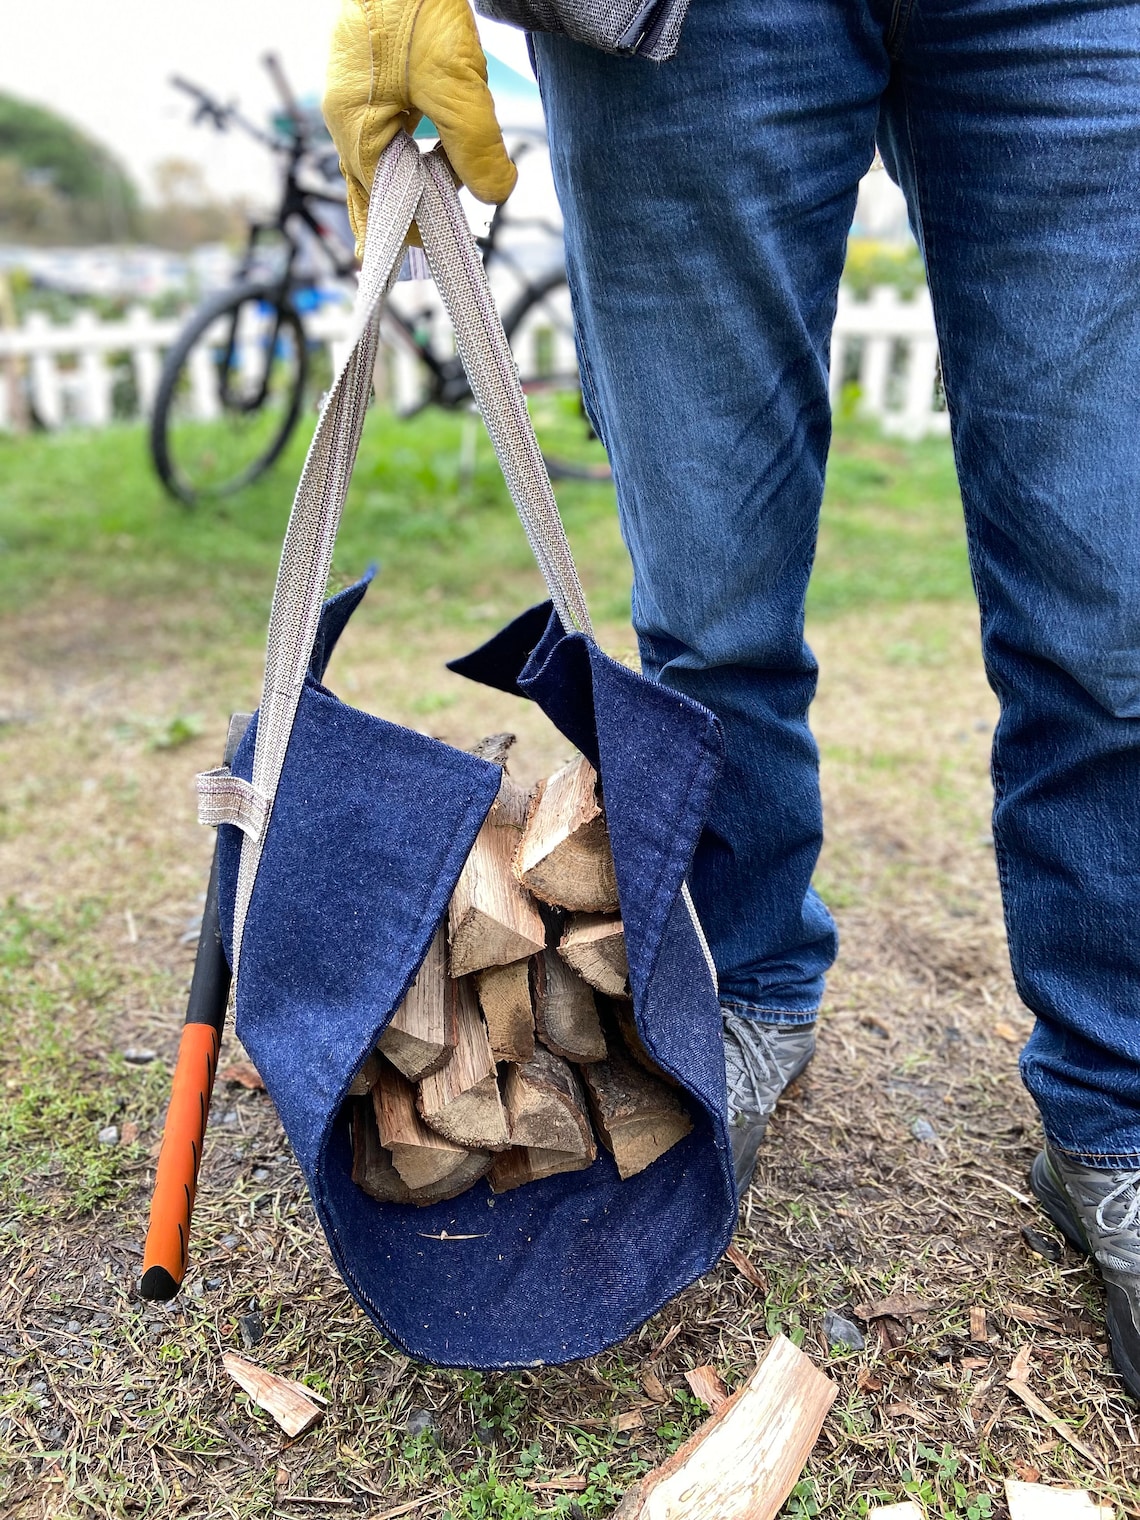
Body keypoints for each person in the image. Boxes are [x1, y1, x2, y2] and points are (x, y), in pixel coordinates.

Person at [322, 0, 1140, 1399]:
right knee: (707, 615)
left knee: (1112, 619)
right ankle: (747, 993)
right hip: (689, 20)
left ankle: (1119, 1113)